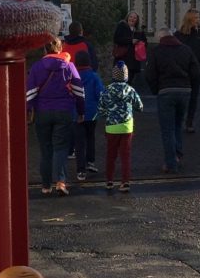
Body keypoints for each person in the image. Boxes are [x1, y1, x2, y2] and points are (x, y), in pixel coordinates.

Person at [25, 38, 83, 195]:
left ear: (45, 50)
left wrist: (28, 110)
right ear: (60, 48)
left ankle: (45, 186)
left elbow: (30, 92)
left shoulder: (37, 67)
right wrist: (81, 110)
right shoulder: (69, 66)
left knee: (45, 150)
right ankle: (60, 182)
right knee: (61, 148)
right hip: (64, 111)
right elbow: (79, 90)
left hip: (43, 112)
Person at [144, 27, 199, 175]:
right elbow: (195, 71)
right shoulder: (186, 50)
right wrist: (189, 85)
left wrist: (156, 89)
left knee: (167, 129)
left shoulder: (156, 52)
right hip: (184, 91)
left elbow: (149, 75)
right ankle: (178, 155)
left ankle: (171, 163)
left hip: (166, 91)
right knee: (177, 125)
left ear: (161, 38)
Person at [97, 61, 143, 192]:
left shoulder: (107, 90)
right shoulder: (130, 90)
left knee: (111, 155)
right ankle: (125, 182)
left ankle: (109, 181)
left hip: (111, 127)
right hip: (127, 126)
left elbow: (100, 109)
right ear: (126, 76)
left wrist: (108, 113)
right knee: (125, 155)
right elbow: (140, 107)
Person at [175, 8, 200, 133]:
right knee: (181, 95)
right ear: (189, 19)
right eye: (196, 17)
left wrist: (198, 57)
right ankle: (179, 119)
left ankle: (189, 122)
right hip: (181, 69)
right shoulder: (179, 35)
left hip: (196, 70)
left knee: (193, 96)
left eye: (199, 17)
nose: (198, 20)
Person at [72, 50, 103, 180]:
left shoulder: (73, 77)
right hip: (92, 113)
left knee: (79, 142)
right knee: (91, 137)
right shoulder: (94, 76)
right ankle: (90, 161)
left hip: (76, 113)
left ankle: (80, 170)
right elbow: (100, 93)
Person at [112, 10, 147, 85]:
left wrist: (140, 43)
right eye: (131, 17)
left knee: (129, 82)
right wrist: (131, 41)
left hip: (133, 61)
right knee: (120, 82)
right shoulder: (122, 26)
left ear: (137, 20)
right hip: (122, 59)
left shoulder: (139, 31)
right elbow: (117, 39)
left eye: (135, 18)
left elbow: (145, 43)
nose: (132, 19)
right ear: (127, 17)